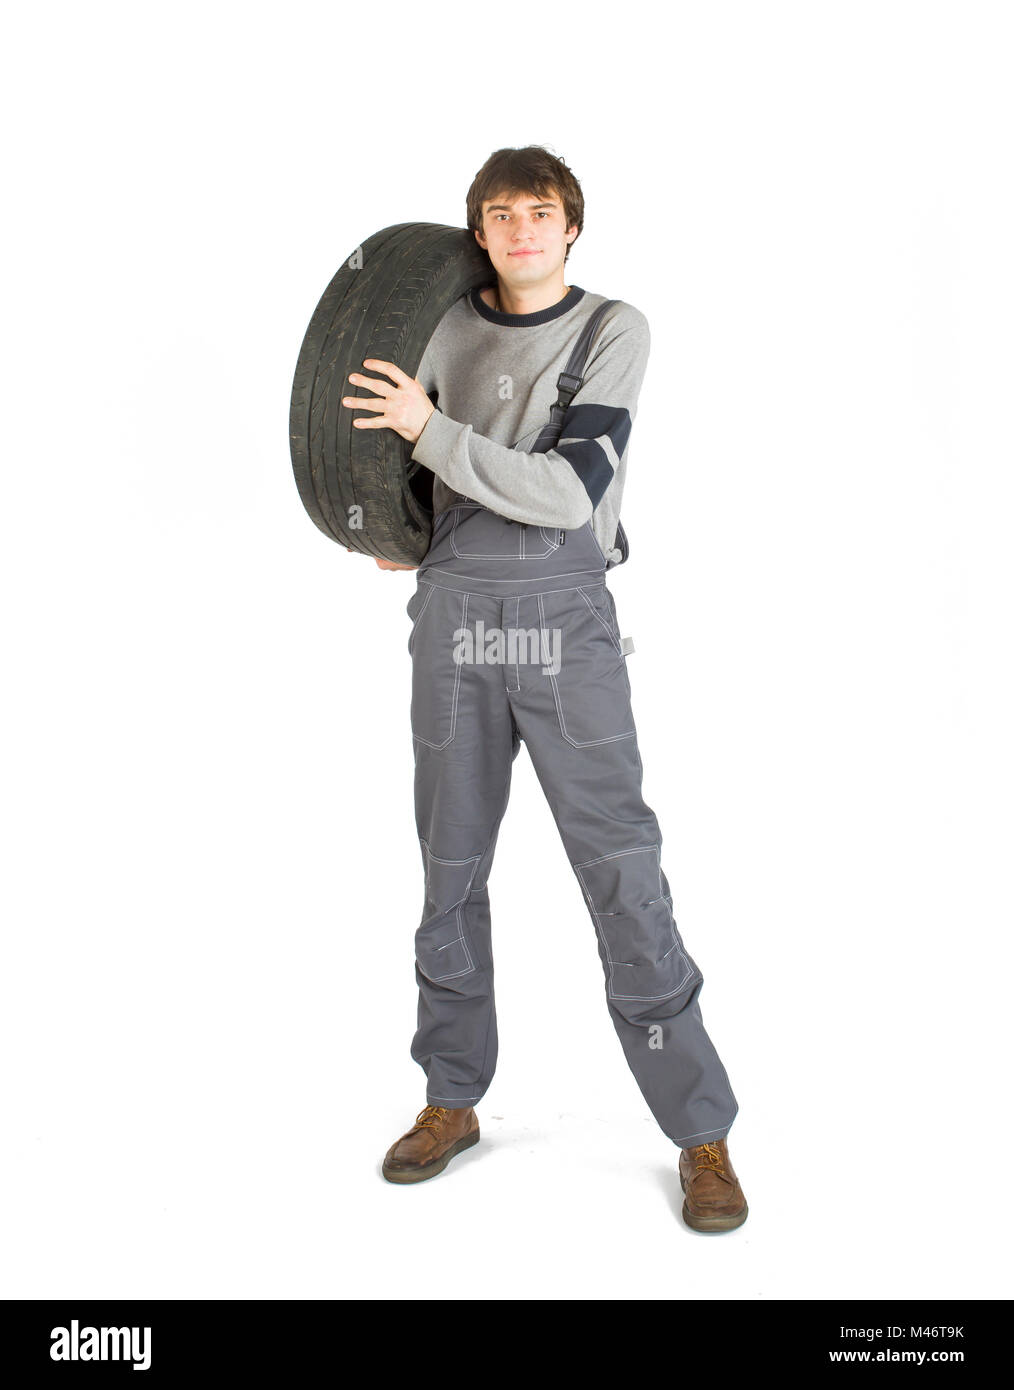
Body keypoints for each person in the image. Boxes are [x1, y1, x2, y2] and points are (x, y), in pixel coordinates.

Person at [340, 146, 747, 1232]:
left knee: (621, 871)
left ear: (572, 229)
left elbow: (569, 493)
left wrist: (432, 434)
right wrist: (402, 526)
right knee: (450, 866)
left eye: (543, 211)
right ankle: (450, 1097)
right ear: (478, 230)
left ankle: (700, 1130)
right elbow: (407, 467)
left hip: (565, 624)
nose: (522, 227)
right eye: (501, 212)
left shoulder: (614, 328)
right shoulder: (439, 327)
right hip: (455, 622)